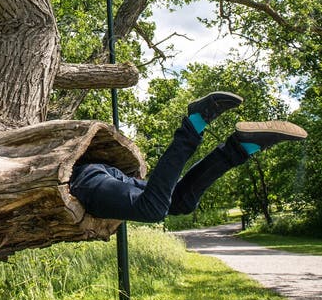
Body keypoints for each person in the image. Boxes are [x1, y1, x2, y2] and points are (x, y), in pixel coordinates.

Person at [69, 92, 308, 223]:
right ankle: (241, 147)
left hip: (84, 180)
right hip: (102, 176)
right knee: (182, 202)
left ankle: (194, 123)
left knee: (153, 209)